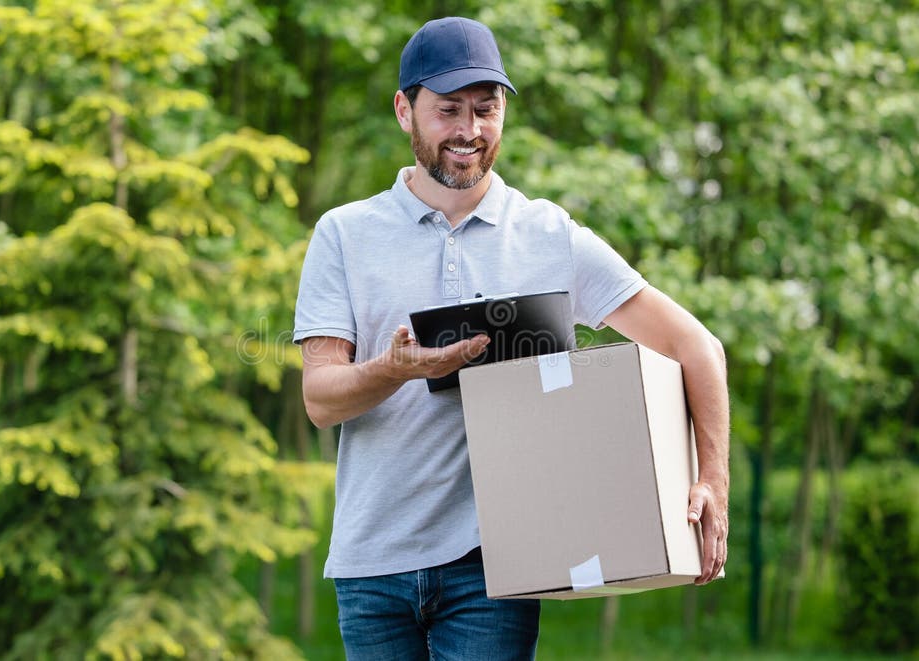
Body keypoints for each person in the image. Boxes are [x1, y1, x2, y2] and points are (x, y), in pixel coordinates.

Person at [293, 16, 729, 660]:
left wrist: (711, 479)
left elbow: (698, 347)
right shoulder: (344, 235)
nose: (469, 130)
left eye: (486, 109)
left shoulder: (549, 236)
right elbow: (321, 401)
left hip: (494, 569)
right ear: (403, 112)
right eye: (447, 110)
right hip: (371, 565)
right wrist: (394, 369)